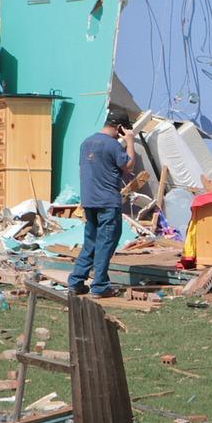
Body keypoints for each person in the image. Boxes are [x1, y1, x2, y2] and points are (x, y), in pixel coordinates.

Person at [67, 108, 136, 298]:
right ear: (120, 128)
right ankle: (100, 286)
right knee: (106, 242)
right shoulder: (113, 145)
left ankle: (76, 282)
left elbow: (83, 172)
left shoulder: (86, 143)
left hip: (89, 200)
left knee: (90, 241)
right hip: (107, 201)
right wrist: (130, 141)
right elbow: (129, 166)